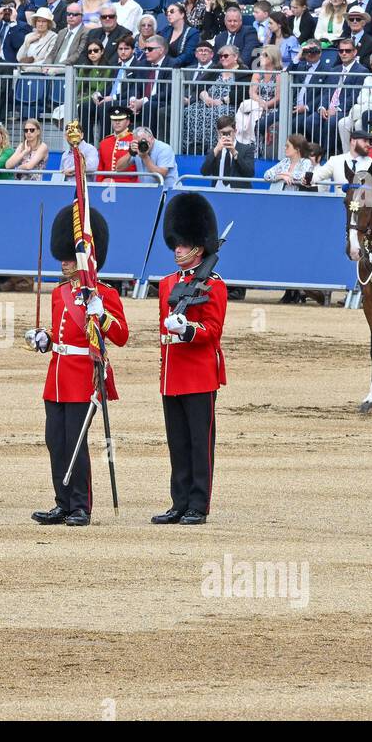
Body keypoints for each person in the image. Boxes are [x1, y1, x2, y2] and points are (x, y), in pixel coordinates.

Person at [26, 204, 128, 528]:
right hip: (56, 375)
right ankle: (62, 502)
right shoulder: (58, 294)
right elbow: (59, 335)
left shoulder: (103, 293)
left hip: (83, 376)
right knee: (55, 440)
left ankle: (80, 506)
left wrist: (101, 313)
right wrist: (44, 340)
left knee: (76, 442)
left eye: (71, 257)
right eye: (64, 256)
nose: (65, 262)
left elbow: (122, 336)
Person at [151, 192, 226, 526]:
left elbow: (212, 330)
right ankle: (178, 502)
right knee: (177, 443)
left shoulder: (213, 284)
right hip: (172, 373)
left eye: (183, 245)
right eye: (175, 244)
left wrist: (188, 328)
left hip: (198, 374)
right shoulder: (167, 284)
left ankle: (199, 503)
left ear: (199, 247)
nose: (177, 249)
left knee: (199, 442)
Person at [201, 114, 255, 189]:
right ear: (218, 133)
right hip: (217, 192)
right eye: (223, 133)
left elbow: (250, 173)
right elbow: (204, 172)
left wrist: (235, 154)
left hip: (238, 193)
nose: (226, 136)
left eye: (229, 133)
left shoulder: (247, 149)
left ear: (235, 131)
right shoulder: (214, 151)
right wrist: (216, 151)